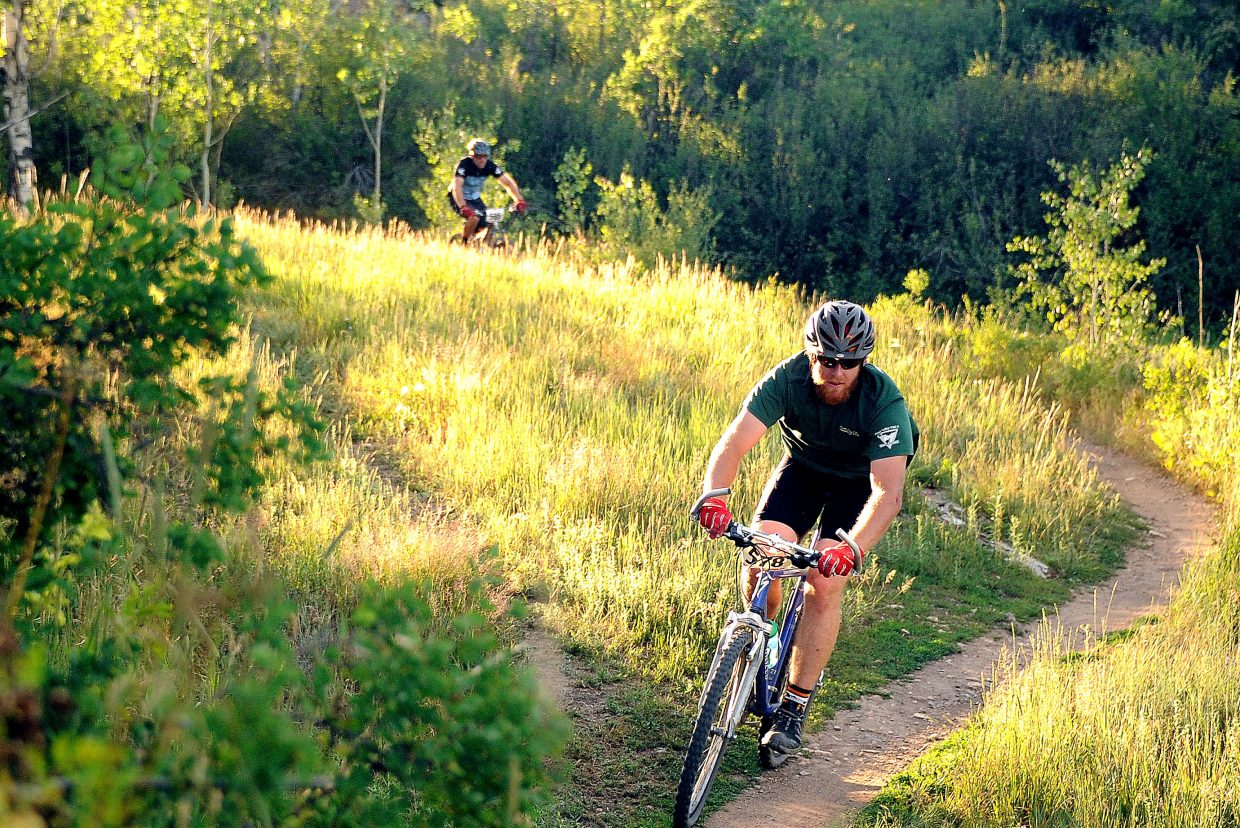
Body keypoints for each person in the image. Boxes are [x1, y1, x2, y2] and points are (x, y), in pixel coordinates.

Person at [695, 300, 918, 759]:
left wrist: (851, 548)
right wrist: (714, 496)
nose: (836, 371)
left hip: (860, 482)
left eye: (849, 362)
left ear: (864, 362)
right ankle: (762, 639)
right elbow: (734, 442)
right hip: (803, 469)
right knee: (762, 555)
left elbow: (888, 494)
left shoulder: (882, 400)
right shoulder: (789, 378)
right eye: (826, 359)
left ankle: (794, 708)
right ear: (810, 354)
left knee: (823, 581)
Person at [446, 138, 526, 242]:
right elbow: (457, 187)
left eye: (485, 156)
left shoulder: (489, 166)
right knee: (474, 217)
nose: (482, 160)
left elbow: (508, 183)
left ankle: (483, 245)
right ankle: (464, 244)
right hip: (458, 197)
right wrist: (463, 206)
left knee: (493, 218)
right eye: (478, 156)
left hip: (475, 198)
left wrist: (519, 200)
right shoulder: (464, 165)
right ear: (472, 156)